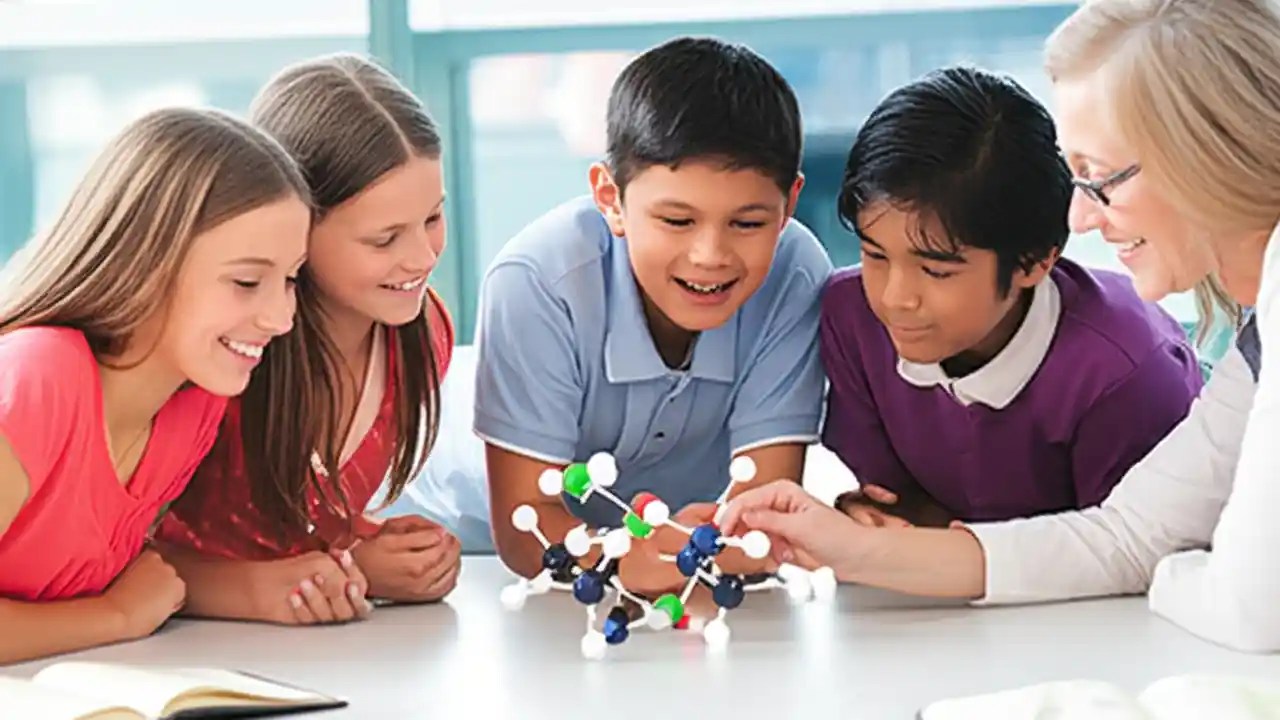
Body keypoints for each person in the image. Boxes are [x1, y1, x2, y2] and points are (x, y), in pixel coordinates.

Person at [721, 0, 1280, 653]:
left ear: (1211, 152)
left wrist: (1181, 572)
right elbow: (1126, 537)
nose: (1078, 218)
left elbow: (1247, 604)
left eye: (1101, 178)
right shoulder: (1258, 341)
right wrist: (849, 547)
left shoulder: (1127, 357)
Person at [475, 36, 833, 595]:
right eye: (676, 220)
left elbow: (763, 520)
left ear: (789, 203)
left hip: (676, 562)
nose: (710, 255)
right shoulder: (536, 282)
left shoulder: (795, 273)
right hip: (483, 555)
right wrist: (627, 559)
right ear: (610, 198)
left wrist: (694, 548)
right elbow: (524, 529)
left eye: (747, 223)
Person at [822, 65, 1202, 528]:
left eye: (936, 270)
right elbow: (896, 503)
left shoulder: (1128, 372)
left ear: (1035, 261)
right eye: (874, 255)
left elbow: (1132, 554)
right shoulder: (850, 316)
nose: (895, 298)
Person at [156, 53, 460, 624]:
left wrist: (362, 557)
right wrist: (254, 590)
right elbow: (113, 556)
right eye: (384, 238)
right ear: (294, 227)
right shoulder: (222, 355)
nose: (421, 258)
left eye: (433, 218)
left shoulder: (423, 335)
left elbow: (308, 531)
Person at [0, 108, 310, 663]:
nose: (281, 317)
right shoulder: (36, 378)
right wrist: (113, 617)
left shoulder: (194, 407)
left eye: (290, 279)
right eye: (246, 281)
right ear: (147, 259)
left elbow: (143, 578)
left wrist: (260, 590)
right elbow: (127, 602)